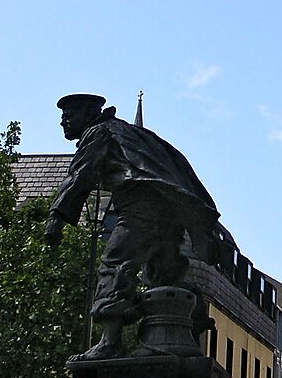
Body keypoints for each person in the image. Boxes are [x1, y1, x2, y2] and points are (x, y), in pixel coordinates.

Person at [44, 93, 220, 361]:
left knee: (115, 264)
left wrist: (56, 216)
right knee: (165, 274)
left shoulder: (99, 133)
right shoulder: (125, 131)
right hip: (166, 207)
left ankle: (110, 341)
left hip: (141, 207)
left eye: (69, 116)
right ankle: (184, 337)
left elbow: (81, 174)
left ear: (89, 115)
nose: (63, 123)